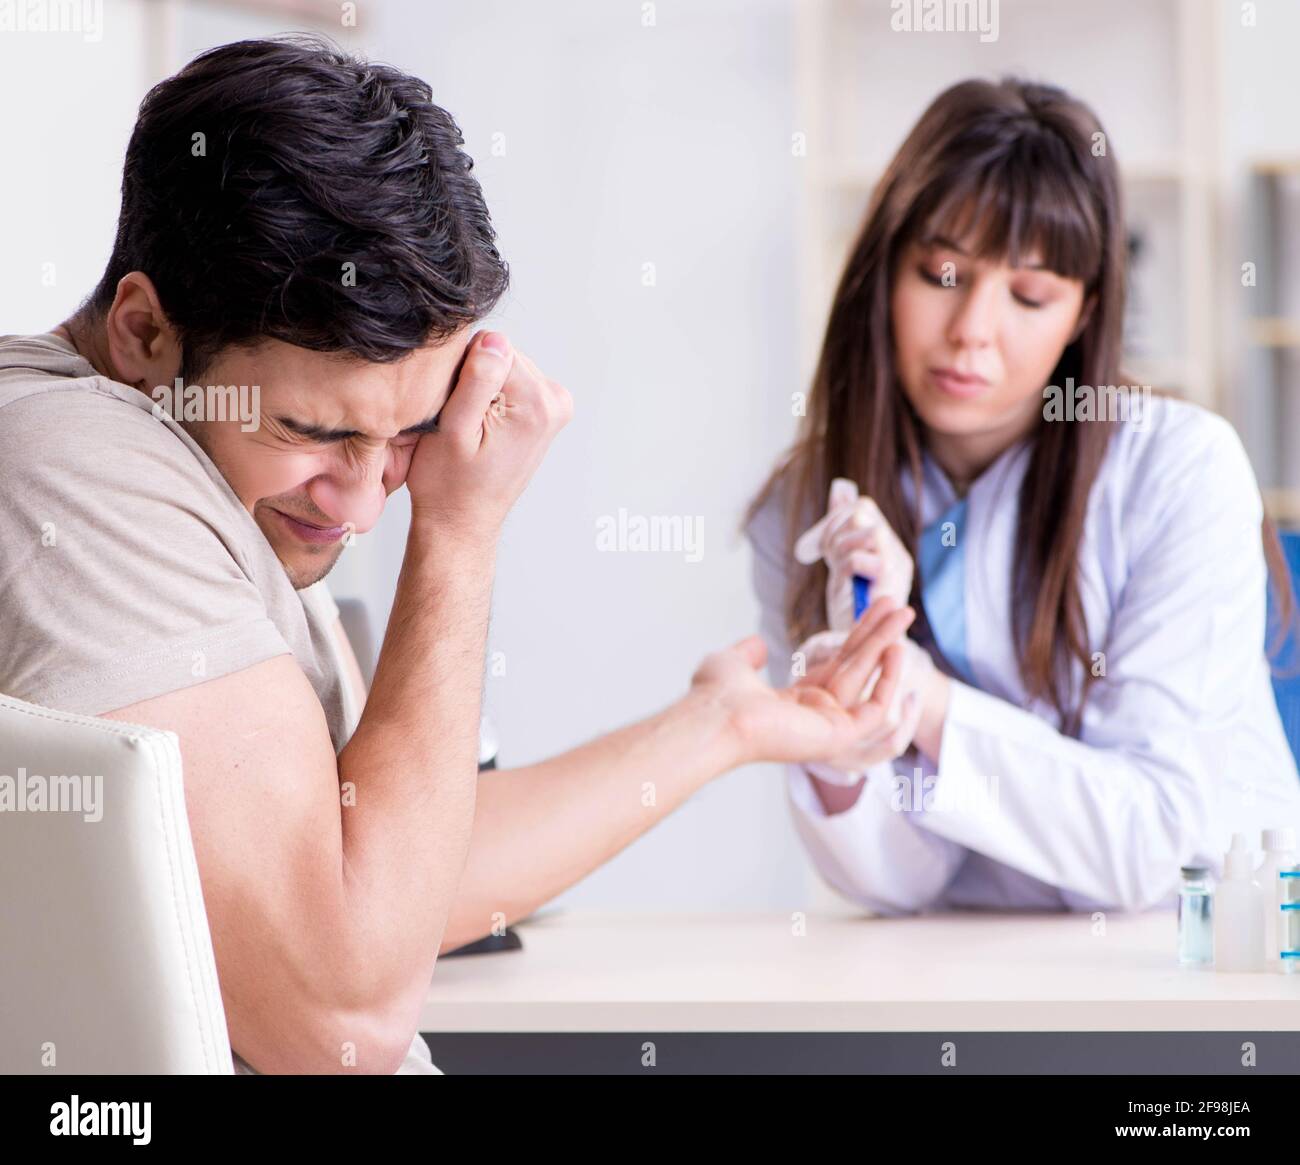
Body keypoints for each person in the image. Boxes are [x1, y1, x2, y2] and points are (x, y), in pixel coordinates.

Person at [0, 35, 916, 1074]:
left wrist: (722, 726)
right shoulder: (69, 460)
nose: (362, 503)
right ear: (144, 330)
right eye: (315, 430)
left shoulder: (208, 472)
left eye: (409, 436)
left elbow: (400, 879)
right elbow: (340, 1014)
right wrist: (459, 533)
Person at [745, 77, 1300, 917]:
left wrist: (921, 697)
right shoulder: (808, 513)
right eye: (941, 273)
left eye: (1030, 295)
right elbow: (892, 879)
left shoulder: (1180, 470)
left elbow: (1152, 838)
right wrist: (845, 720)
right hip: (963, 961)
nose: (972, 328)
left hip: (1198, 956)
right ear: (883, 270)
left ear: (1084, 314)